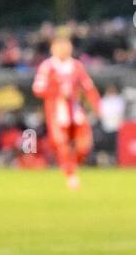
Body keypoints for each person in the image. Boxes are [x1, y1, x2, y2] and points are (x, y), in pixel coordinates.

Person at [32, 36, 101, 190]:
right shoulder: (47, 66)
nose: (64, 49)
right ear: (53, 49)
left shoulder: (76, 66)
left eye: (66, 46)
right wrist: (57, 92)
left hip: (76, 112)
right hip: (56, 113)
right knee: (62, 145)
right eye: (60, 46)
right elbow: (38, 89)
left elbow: (88, 88)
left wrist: (98, 107)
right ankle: (70, 175)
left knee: (84, 145)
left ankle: (72, 166)